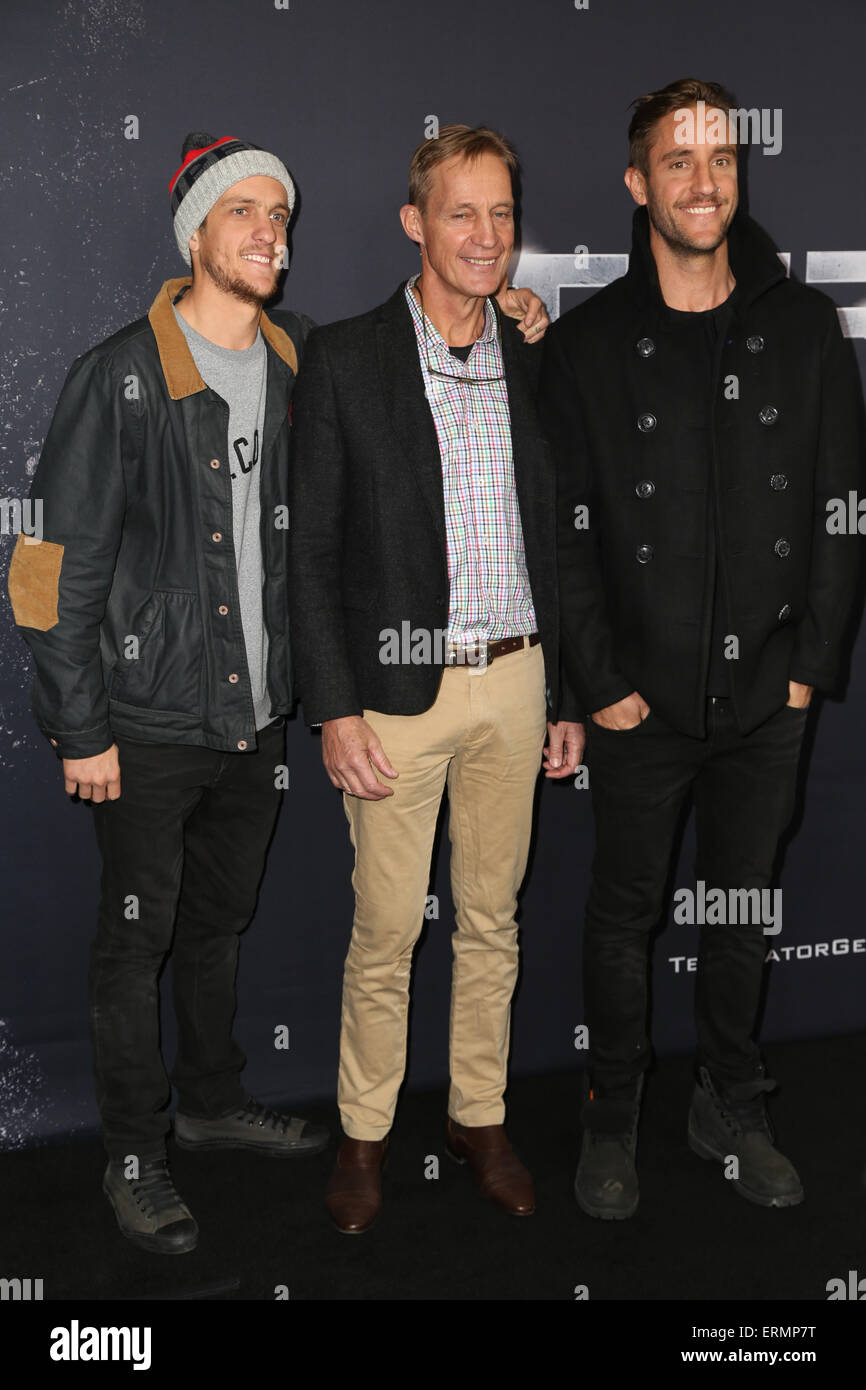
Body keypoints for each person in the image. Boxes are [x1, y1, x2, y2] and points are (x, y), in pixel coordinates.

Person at [540, 79, 863, 1219]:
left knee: (739, 910)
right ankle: (610, 1114)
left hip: (764, 699)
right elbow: (562, 534)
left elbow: (839, 507)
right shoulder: (584, 347)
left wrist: (804, 670)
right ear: (638, 185)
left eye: (718, 158)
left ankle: (729, 1098)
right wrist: (601, 683)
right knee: (621, 921)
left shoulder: (801, 325)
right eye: (676, 162)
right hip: (638, 702)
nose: (701, 180)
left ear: (739, 174)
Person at [7, 132, 331, 1254]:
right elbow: (45, 567)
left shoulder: (295, 367)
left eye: (277, 215)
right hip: (141, 729)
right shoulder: (121, 374)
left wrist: (520, 322)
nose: (265, 231)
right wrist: (77, 723)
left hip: (252, 722)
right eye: (240, 211)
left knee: (218, 925)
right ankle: (134, 1156)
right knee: (131, 945)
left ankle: (209, 1097)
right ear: (195, 232)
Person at [289, 124, 584, 1235]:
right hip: (391, 698)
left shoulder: (528, 347)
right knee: (382, 932)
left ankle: (477, 1116)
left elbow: (560, 534)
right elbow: (308, 549)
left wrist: (561, 692)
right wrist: (330, 707)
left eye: (502, 214)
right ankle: (364, 1136)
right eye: (460, 212)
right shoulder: (346, 356)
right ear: (414, 222)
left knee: (490, 921)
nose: (486, 236)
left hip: (516, 680)